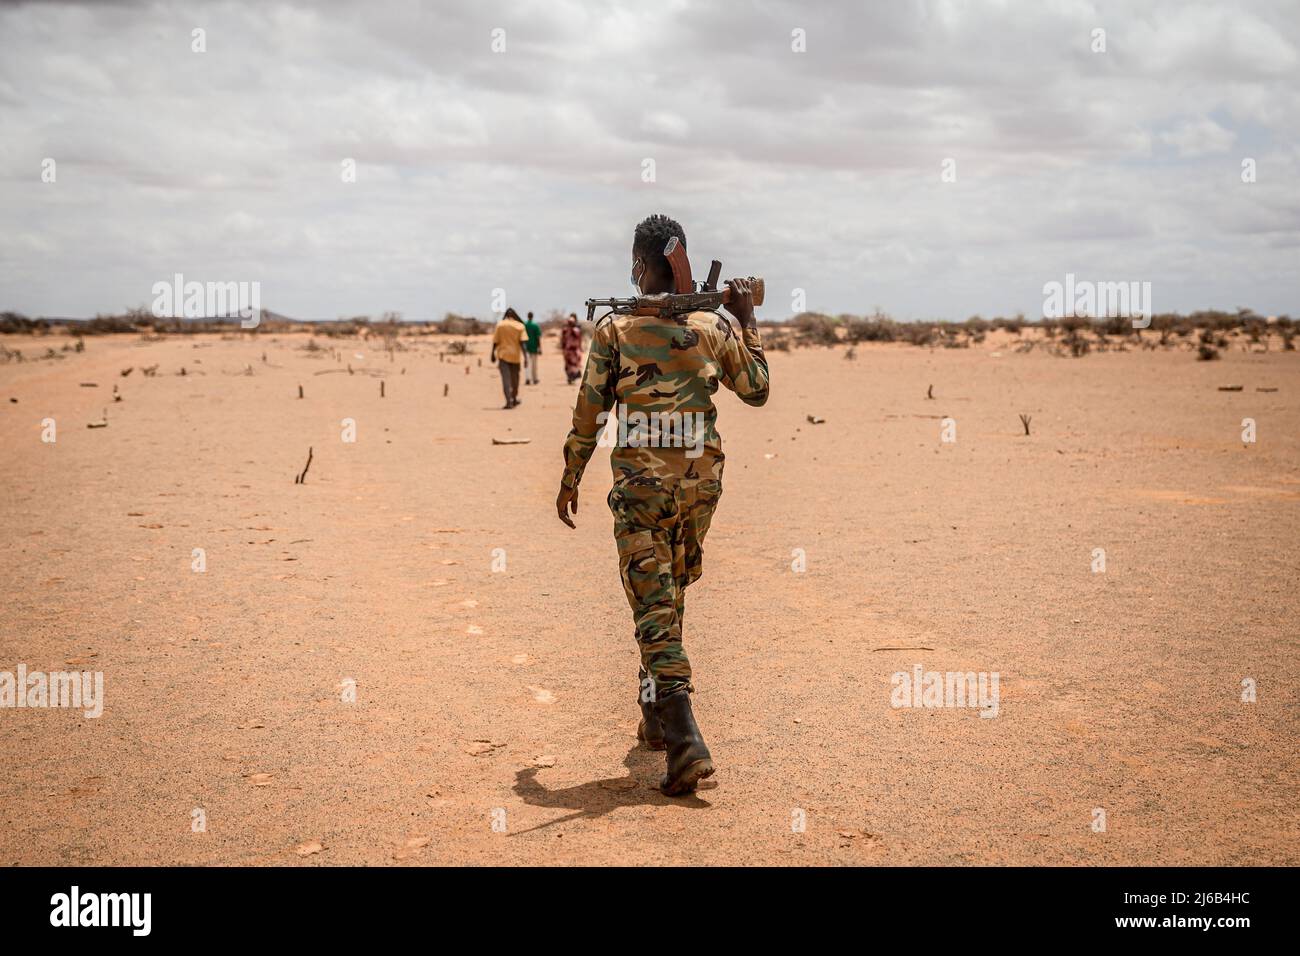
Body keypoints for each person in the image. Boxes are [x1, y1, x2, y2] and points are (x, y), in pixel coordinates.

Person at [554, 213, 768, 796]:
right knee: (664, 598)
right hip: (700, 489)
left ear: (644, 267)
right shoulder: (714, 328)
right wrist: (747, 322)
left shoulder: (614, 333)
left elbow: (590, 414)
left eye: (636, 262)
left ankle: (685, 740)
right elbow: (757, 390)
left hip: (643, 493)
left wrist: (570, 474)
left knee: (653, 605)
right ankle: (653, 713)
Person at [490, 307, 527, 408]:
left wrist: (492, 354)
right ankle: (514, 398)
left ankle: (508, 401)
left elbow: (495, 341)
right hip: (515, 357)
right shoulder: (520, 326)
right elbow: (523, 343)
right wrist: (526, 358)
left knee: (506, 380)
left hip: (503, 356)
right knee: (515, 380)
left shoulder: (500, 325)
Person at [560, 313, 584, 385]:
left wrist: (579, 348)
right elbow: (563, 339)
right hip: (568, 350)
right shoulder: (566, 330)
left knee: (574, 364)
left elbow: (579, 338)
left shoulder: (576, 329)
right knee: (568, 364)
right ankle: (570, 378)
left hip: (574, 350)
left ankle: (572, 378)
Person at [523, 311, 542, 385]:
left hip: (526, 347)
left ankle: (527, 378)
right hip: (534, 348)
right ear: (532, 316)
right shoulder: (535, 326)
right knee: (534, 364)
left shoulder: (524, 325)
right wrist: (540, 348)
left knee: (527, 364)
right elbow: (538, 338)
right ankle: (535, 379)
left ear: (527, 316)